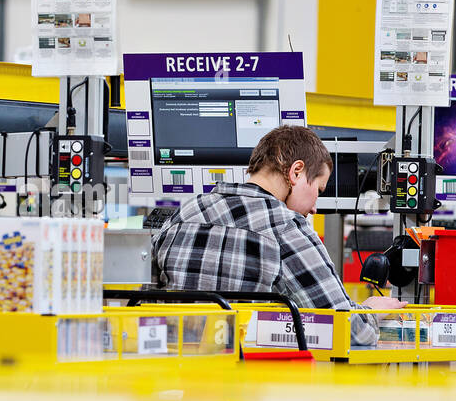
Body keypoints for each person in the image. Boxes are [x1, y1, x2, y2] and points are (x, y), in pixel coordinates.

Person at [151, 125, 401, 346]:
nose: (315, 208)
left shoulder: (183, 214)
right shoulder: (284, 226)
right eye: (319, 189)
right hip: (245, 377)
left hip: (169, 371)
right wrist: (370, 310)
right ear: (296, 172)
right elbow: (350, 331)